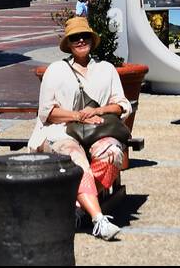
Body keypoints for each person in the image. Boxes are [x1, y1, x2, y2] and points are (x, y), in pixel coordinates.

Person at [28, 15, 131, 241]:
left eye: (85, 36)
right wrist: (78, 116)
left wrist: (99, 111)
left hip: (98, 130)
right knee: (76, 157)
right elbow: (46, 112)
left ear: (92, 40)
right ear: (69, 43)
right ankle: (98, 219)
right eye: (75, 38)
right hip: (60, 130)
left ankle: (76, 203)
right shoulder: (56, 70)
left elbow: (123, 105)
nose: (81, 41)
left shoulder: (106, 69)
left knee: (112, 152)